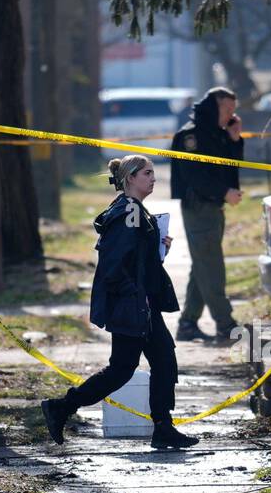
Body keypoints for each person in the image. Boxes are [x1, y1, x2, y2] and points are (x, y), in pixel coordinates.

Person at [40, 155, 199, 451]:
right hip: (132, 306)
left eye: (153, 173)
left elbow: (134, 258)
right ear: (130, 179)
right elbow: (113, 265)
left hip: (142, 305)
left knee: (163, 360)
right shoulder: (129, 211)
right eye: (147, 173)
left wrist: (156, 246)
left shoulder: (136, 211)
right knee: (121, 368)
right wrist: (134, 296)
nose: (153, 179)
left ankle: (163, 427)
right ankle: (61, 407)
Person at [170, 86, 244, 343]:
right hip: (199, 207)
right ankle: (226, 324)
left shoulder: (219, 134)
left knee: (202, 264)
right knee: (212, 265)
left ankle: (188, 323)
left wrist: (235, 139)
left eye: (233, 112)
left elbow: (231, 167)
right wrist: (224, 191)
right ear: (213, 107)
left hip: (214, 208)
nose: (229, 116)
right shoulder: (191, 136)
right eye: (226, 110)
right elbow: (194, 176)